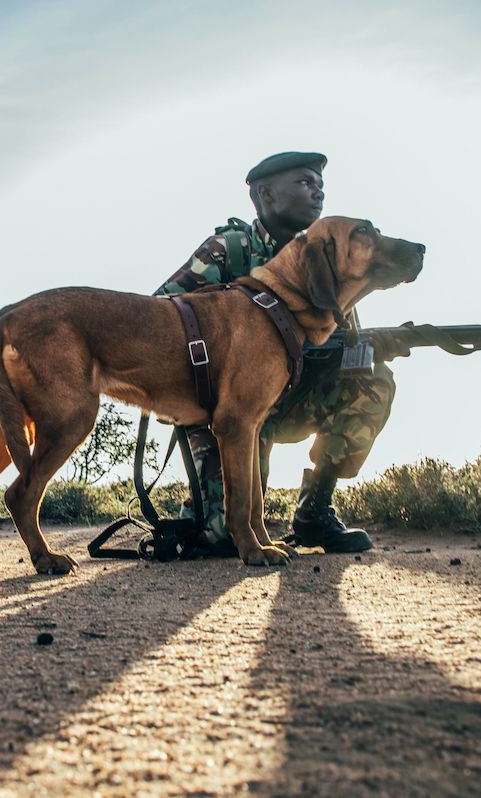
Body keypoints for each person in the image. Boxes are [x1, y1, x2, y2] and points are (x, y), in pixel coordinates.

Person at [155, 152, 397, 554]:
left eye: (319, 184)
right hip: (224, 409)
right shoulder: (229, 251)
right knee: (220, 537)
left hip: (289, 398)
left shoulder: (331, 259)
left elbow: (344, 341)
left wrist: (368, 347)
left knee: (372, 380)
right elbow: (158, 320)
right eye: (305, 182)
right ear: (265, 194)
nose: (318, 191)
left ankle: (314, 511)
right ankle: (202, 512)